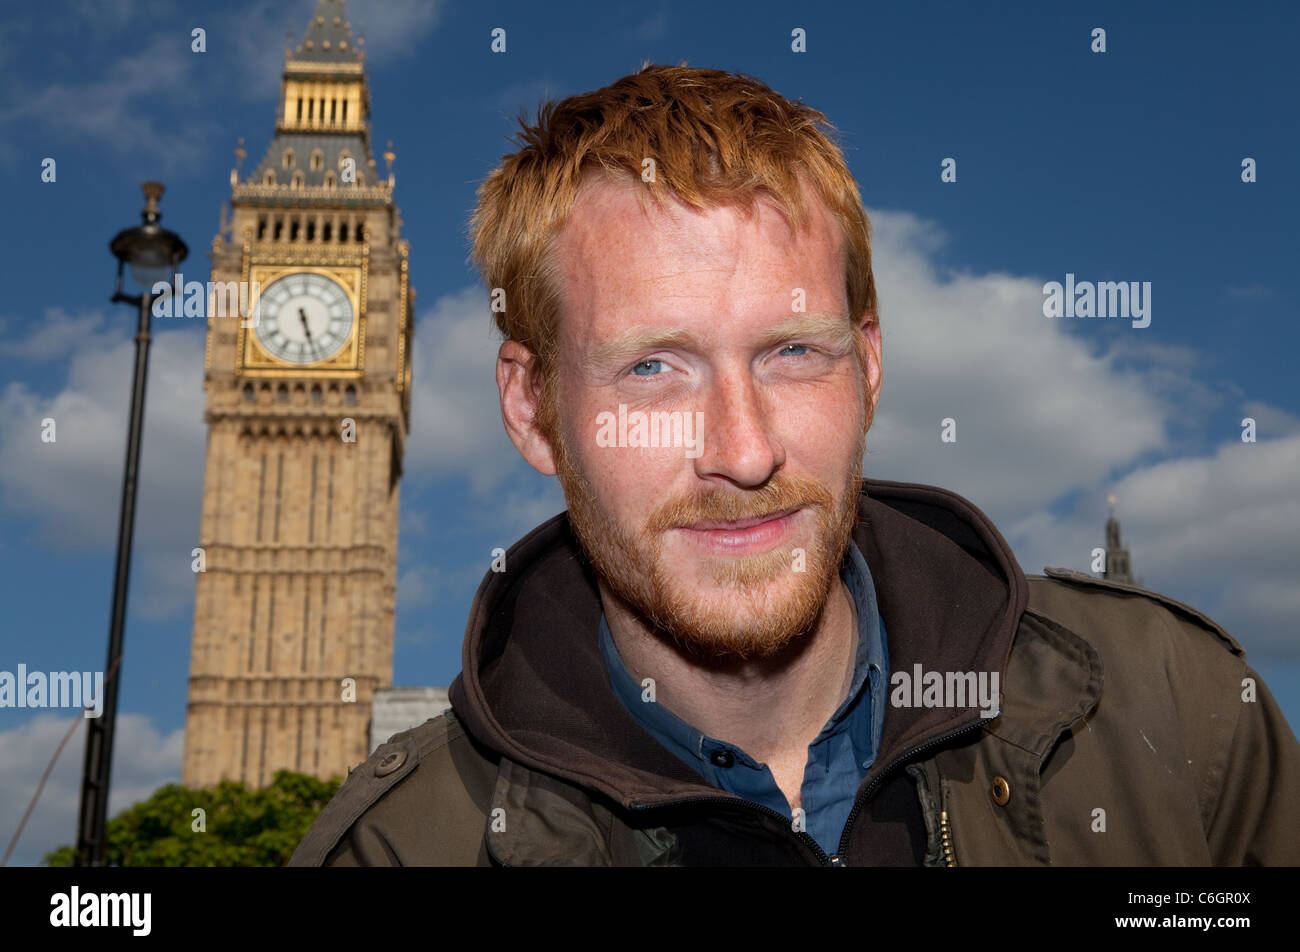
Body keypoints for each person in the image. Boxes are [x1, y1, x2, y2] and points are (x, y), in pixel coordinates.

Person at [291, 63, 1299, 866]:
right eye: (653, 367)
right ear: (531, 407)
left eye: (791, 351)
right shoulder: (401, 845)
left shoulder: (1176, 716)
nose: (743, 448)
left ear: (867, 367)